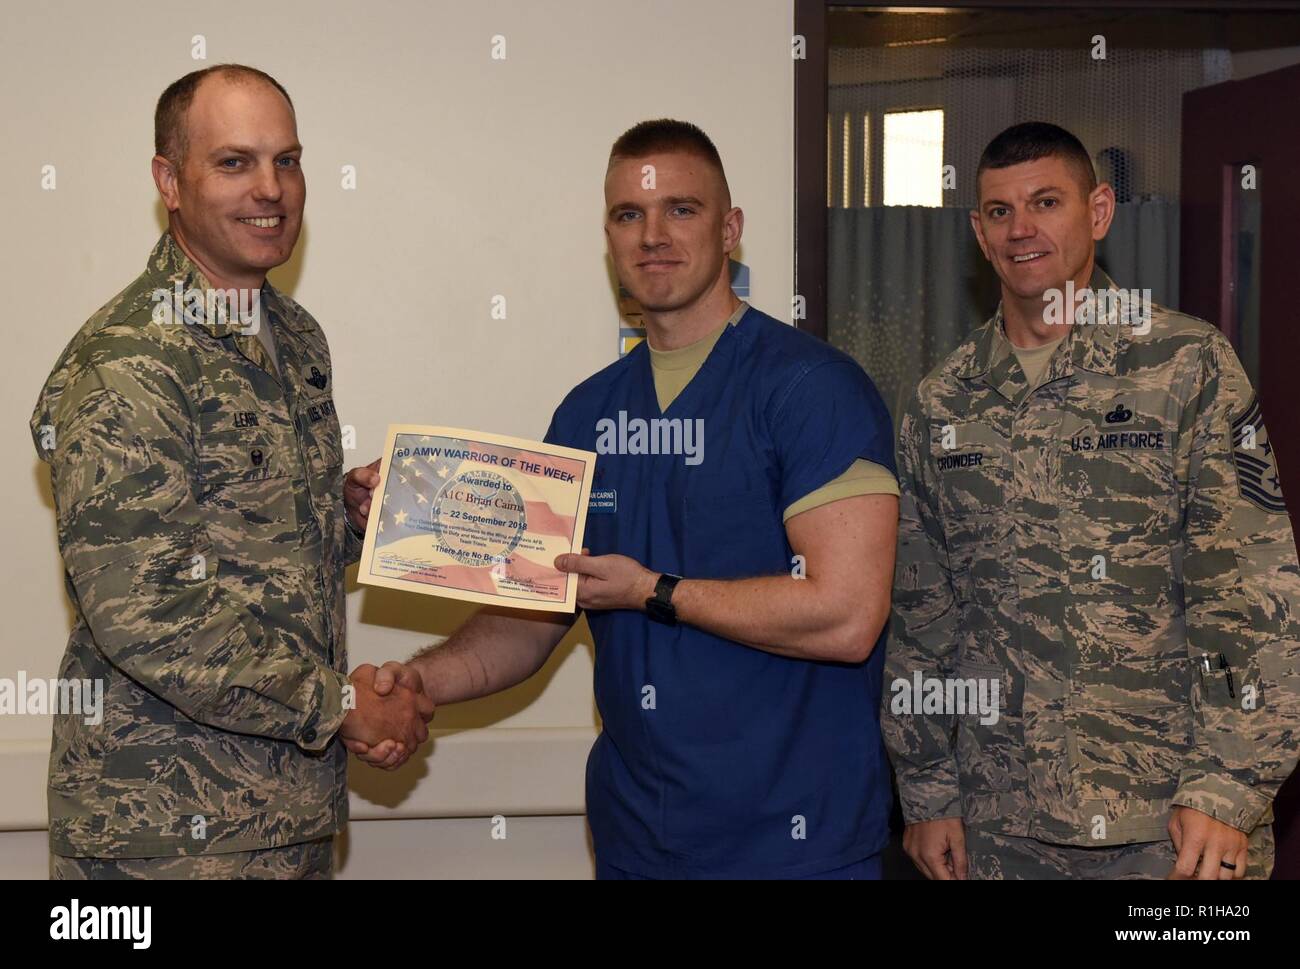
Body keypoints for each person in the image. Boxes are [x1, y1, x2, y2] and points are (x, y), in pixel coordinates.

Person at [346, 119, 900, 879]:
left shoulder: (812, 390)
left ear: (730, 228)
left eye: (682, 209)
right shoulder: (587, 413)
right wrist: (417, 683)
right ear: (607, 235)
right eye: (628, 215)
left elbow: (847, 614)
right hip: (640, 840)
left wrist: (653, 592)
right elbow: (537, 614)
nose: (653, 236)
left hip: (793, 842)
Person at [31, 64, 431, 880]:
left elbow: (256, 548)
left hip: (287, 815)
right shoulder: (134, 356)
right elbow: (145, 605)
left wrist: (348, 518)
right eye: (235, 162)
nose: (272, 188)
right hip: (164, 835)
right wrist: (340, 704)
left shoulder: (291, 333)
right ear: (168, 182)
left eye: (287, 160)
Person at [885, 121, 1300, 880]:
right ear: (979, 232)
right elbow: (923, 616)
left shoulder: (1183, 364)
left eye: (1046, 202)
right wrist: (928, 789)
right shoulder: (943, 401)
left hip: (1168, 824)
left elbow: (1248, 587)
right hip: (998, 824)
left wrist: (1231, 783)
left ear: (1099, 211)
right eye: (1001, 211)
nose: (1023, 229)